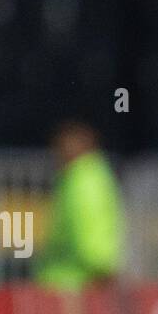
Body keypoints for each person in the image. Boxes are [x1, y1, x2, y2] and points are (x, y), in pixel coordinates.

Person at [35, 120, 124, 289]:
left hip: (77, 284)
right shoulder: (78, 177)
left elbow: (90, 224)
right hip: (70, 280)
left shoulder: (84, 180)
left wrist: (101, 266)